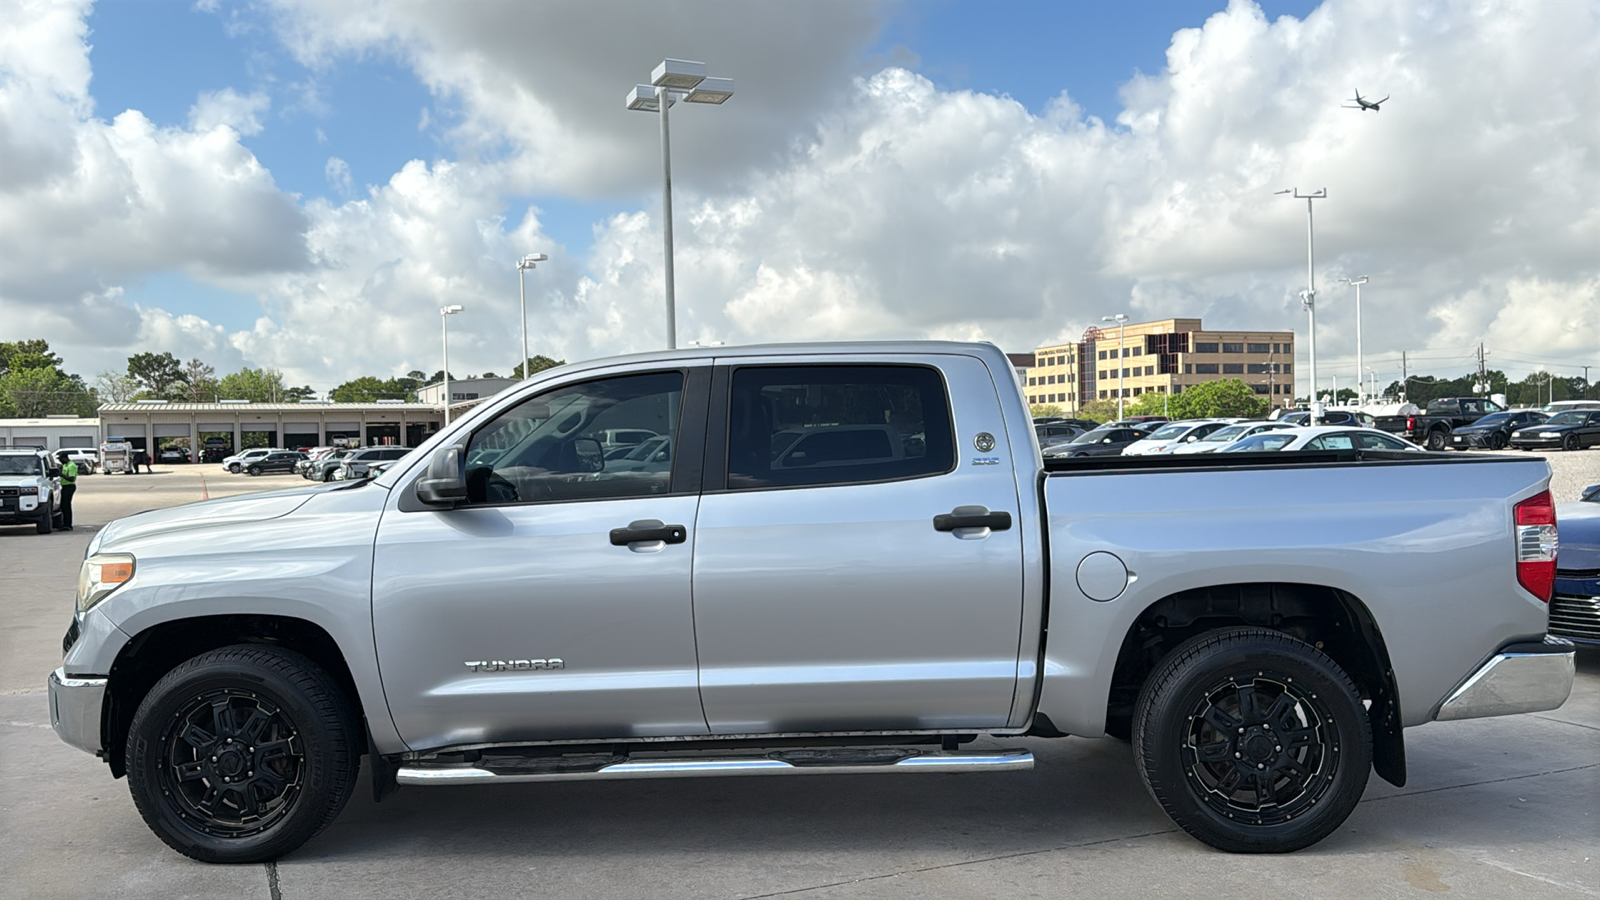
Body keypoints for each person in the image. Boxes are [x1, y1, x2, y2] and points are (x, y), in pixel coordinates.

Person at [59, 457, 77, 530]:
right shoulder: (65, 465)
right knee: (63, 506)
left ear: (65, 458)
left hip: (69, 487)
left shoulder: (71, 465)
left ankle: (68, 525)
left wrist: (61, 475)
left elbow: (71, 478)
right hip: (64, 486)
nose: (61, 461)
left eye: (61, 459)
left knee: (66, 506)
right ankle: (64, 523)